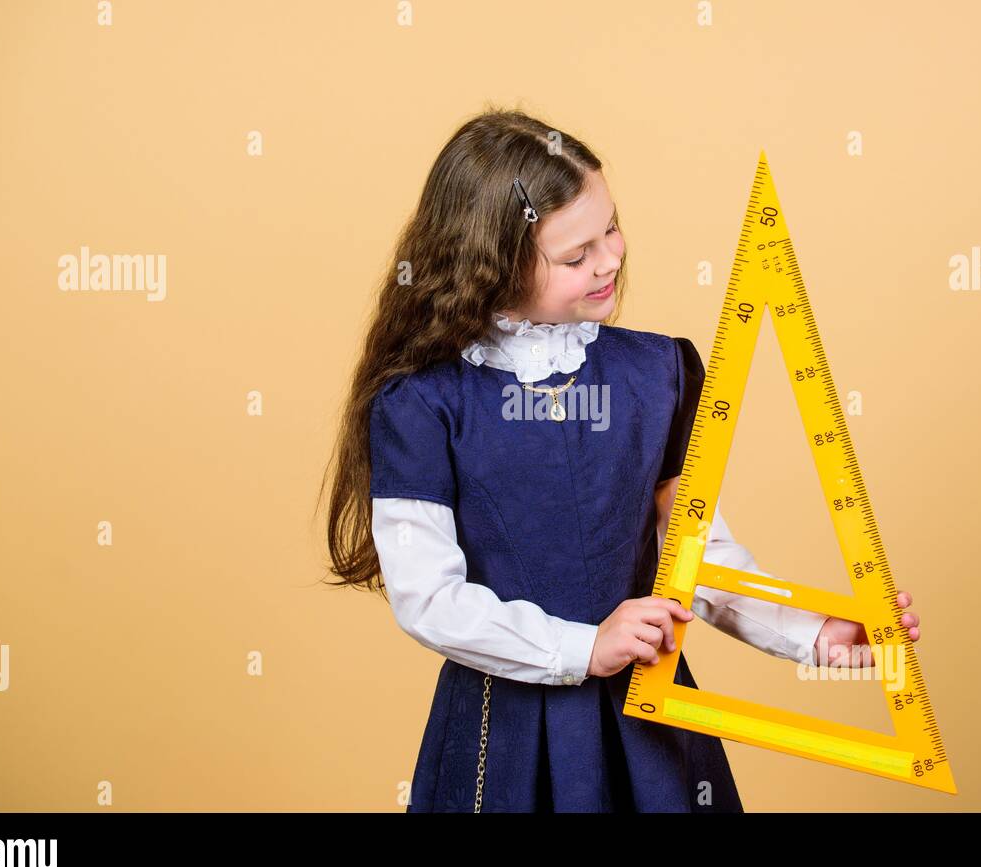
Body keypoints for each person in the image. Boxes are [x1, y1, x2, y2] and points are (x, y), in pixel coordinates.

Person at [322, 106, 921, 813]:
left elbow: (697, 560)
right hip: (505, 742)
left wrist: (814, 634)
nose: (609, 258)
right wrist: (582, 649)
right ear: (490, 267)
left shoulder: (658, 373)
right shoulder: (420, 406)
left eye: (610, 228)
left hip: (651, 727)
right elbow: (428, 599)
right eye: (576, 255)